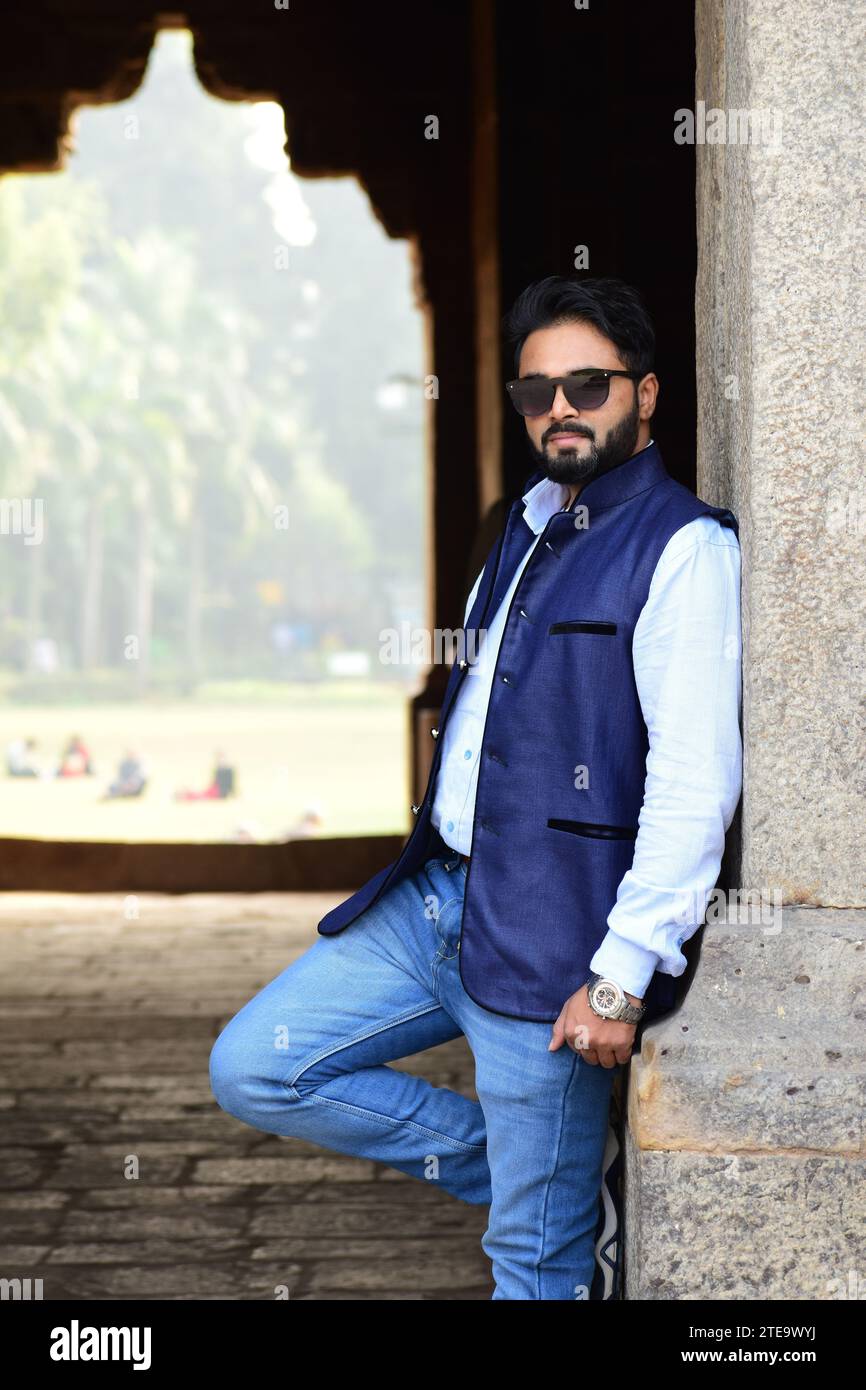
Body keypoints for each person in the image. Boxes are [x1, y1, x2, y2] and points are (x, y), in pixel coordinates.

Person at [209, 276, 743, 1300]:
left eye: (586, 385)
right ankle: (539, 1177)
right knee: (257, 1067)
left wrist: (620, 974)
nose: (559, 408)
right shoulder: (523, 523)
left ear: (645, 394)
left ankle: (545, 1207)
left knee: (528, 1270)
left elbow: (691, 784)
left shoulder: (683, 550)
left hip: (555, 940)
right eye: (536, 390)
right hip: (436, 901)